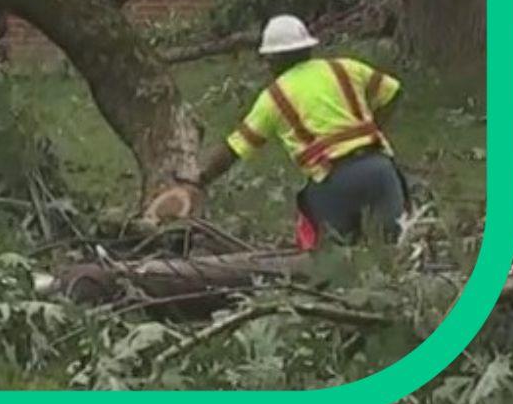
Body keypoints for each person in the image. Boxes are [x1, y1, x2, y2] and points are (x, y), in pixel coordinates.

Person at [148, 15, 410, 250]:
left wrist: (197, 181)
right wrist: (373, 127)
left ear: (271, 59)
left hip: (334, 182)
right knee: (395, 254)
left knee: (334, 264)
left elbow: (234, 149)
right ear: (308, 47)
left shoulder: (274, 98)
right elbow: (393, 91)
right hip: (380, 169)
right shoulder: (345, 68)